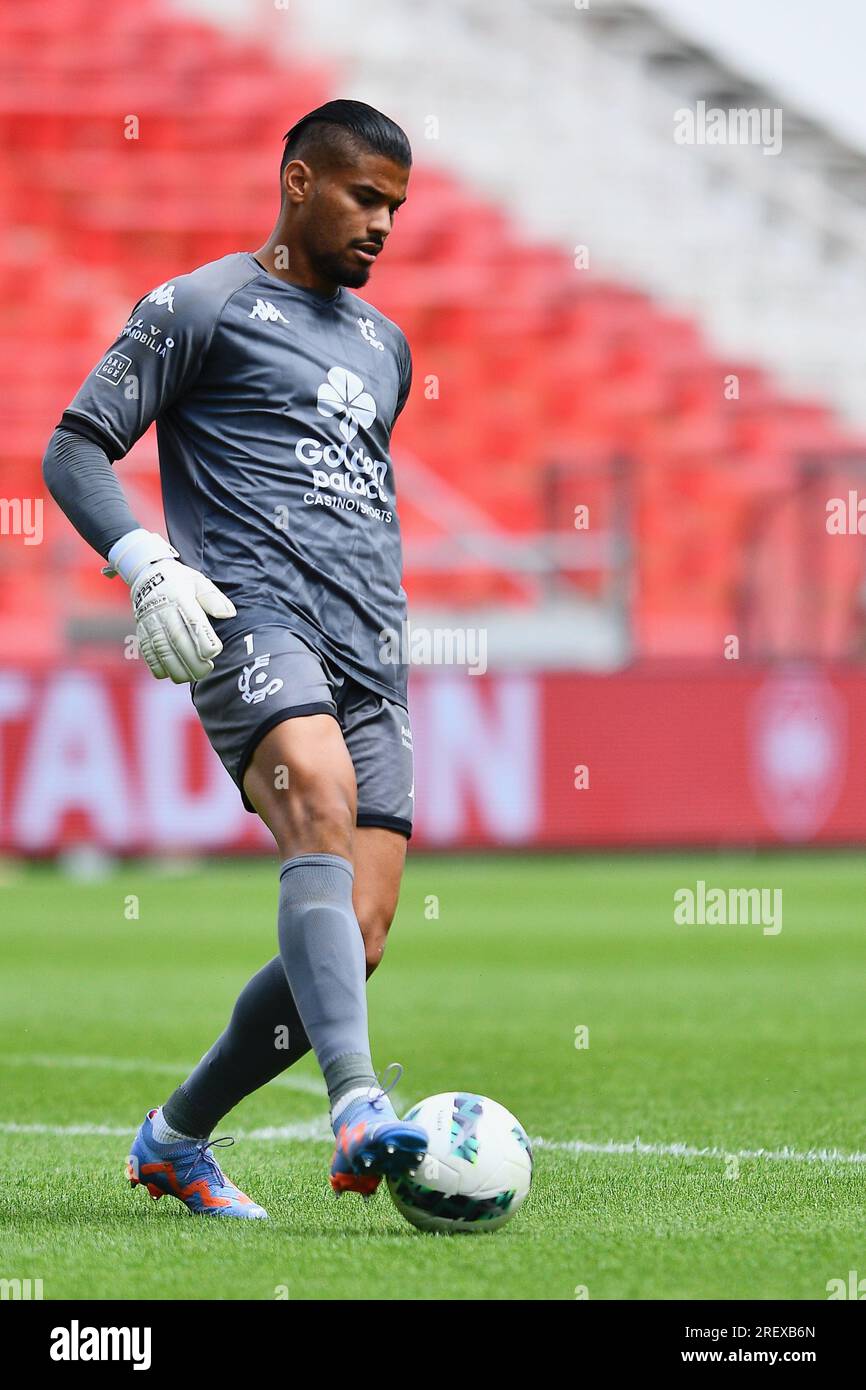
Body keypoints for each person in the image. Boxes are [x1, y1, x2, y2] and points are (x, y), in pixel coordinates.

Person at [42, 99, 427, 1217]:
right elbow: (76, 444)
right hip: (247, 618)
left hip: (371, 652)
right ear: (299, 181)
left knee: (355, 938)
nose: (381, 227)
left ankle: (175, 1135)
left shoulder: (384, 346)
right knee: (310, 792)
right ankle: (355, 1103)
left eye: (396, 207)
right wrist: (144, 562)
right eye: (363, 197)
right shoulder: (202, 305)